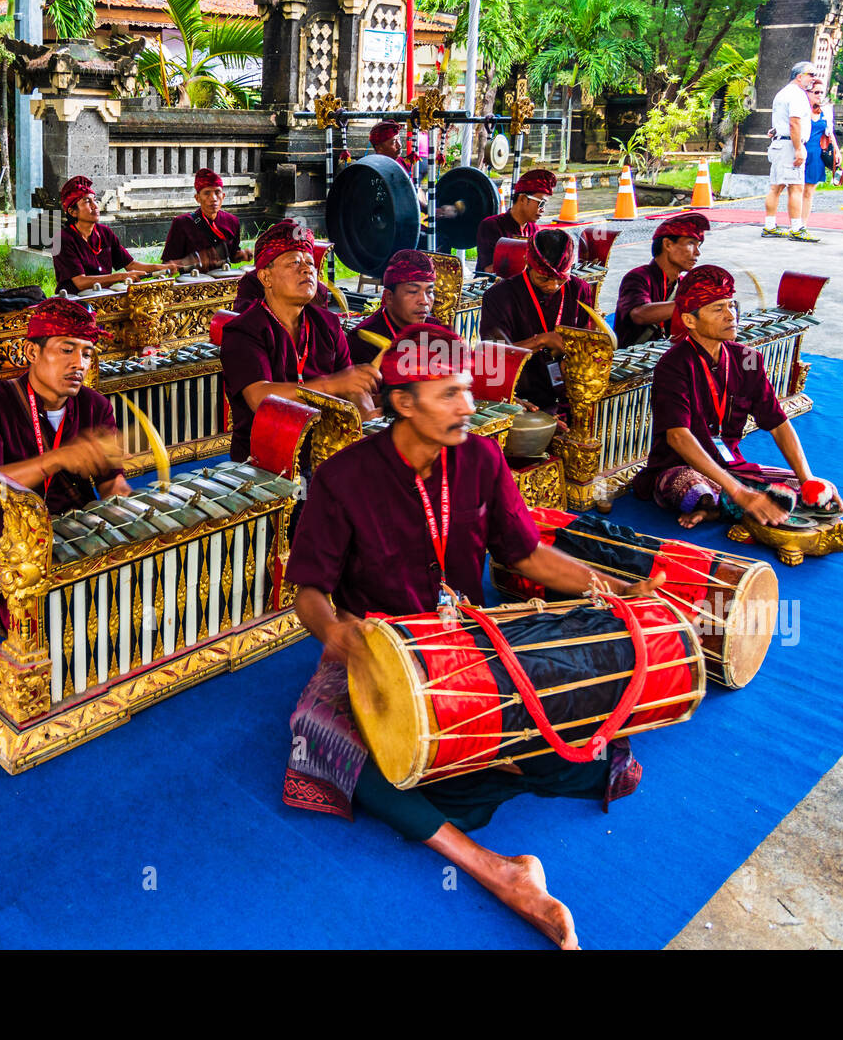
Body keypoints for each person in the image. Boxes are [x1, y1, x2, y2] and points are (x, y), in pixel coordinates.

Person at [283, 322, 665, 949]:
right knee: (318, 734)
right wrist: (337, 636)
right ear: (402, 402)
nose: (469, 407)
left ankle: (494, 767)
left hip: (470, 639)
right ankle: (499, 871)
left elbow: (525, 555)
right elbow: (310, 595)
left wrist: (612, 590)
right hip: (386, 651)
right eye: (449, 395)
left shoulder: (482, 458)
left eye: (468, 390)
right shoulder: (343, 479)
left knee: (570, 683)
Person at [0, 297, 130, 634]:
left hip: (81, 537)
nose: (80, 363)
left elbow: (111, 484)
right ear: (32, 353)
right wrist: (58, 458)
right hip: (4, 552)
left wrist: (129, 501)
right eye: (67, 350)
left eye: (87, 353)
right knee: (37, 620)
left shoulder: (96, 406)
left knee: (149, 589)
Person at [632, 264, 838, 529]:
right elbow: (678, 437)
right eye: (718, 309)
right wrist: (741, 493)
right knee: (693, 490)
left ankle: (725, 507)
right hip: (681, 467)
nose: (731, 315)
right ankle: (728, 503)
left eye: (731, 305)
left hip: (732, 468)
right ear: (690, 320)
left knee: (811, 487)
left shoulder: (748, 359)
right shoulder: (673, 365)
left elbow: (777, 423)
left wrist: (808, 479)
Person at [219, 220, 379, 461]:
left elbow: (351, 386)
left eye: (310, 263)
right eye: (294, 262)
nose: (307, 270)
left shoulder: (328, 324)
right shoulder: (243, 332)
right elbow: (261, 398)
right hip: (264, 460)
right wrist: (331, 385)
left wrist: (368, 416)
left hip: (325, 452)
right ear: (265, 277)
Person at [480, 228, 594, 414]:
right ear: (527, 262)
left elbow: (588, 340)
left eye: (561, 279)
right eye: (543, 279)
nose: (553, 286)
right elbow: (495, 360)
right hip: (522, 398)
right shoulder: (499, 296)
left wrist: (573, 357)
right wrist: (540, 340)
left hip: (569, 392)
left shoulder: (580, 289)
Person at [53, 175, 181, 292]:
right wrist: (121, 276)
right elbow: (80, 282)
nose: (95, 206)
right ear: (72, 211)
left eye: (95, 200)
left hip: (103, 296)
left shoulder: (104, 232)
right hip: (74, 301)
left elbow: (131, 265)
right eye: (87, 202)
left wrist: (161, 267)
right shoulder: (62, 239)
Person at [613, 211, 709, 347]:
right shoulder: (638, 277)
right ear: (668, 244)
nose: (697, 252)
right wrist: (691, 303)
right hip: (632, 361)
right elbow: (639, 314)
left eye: (698, 246)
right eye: (691, 243)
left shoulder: (684, 285)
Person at [345, 249, 436, 365]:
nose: (424, 301)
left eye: (429, 291)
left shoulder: (435, 329)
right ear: (389, 297)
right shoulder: (363, 341)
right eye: (413, 291)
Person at [762, 62, 815, 240]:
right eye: (811, 74)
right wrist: (799, 148)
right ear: (799, 76)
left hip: (780, 143)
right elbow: (795, 122)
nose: (813, 79)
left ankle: (770, 225)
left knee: (776, 187)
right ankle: (796, 228)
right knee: (796, 187)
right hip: (790, 145)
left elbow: (782, 121)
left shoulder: (782, 93)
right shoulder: (797, 95)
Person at [160, 168, 253, 265]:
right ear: (197, 198)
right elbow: (167, 265)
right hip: (194, 279)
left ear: (223, 196)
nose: (213, 198)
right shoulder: (182, 223)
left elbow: (230, 256)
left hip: (224, 278)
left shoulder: (232, 221)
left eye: (217, 192)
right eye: (207, 193)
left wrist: (242, 255)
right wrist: (192, 261)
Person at [475, 168, 551, 274]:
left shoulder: (534, 229)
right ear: (523, 199)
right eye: (541, 203)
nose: (543, 209)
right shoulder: (491, 226)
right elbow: (488, 269)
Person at [794, 80, 841, 244]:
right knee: (796, 189)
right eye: (816, 92)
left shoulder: (826, 111)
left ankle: (803, 224)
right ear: (808, 93)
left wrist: (836, 150)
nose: (819, 95)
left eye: (822, 92)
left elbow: (830, 132)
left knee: (809, 191)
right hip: (801, 151)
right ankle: (794, 224)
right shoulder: (801, 110)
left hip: (817, 155)